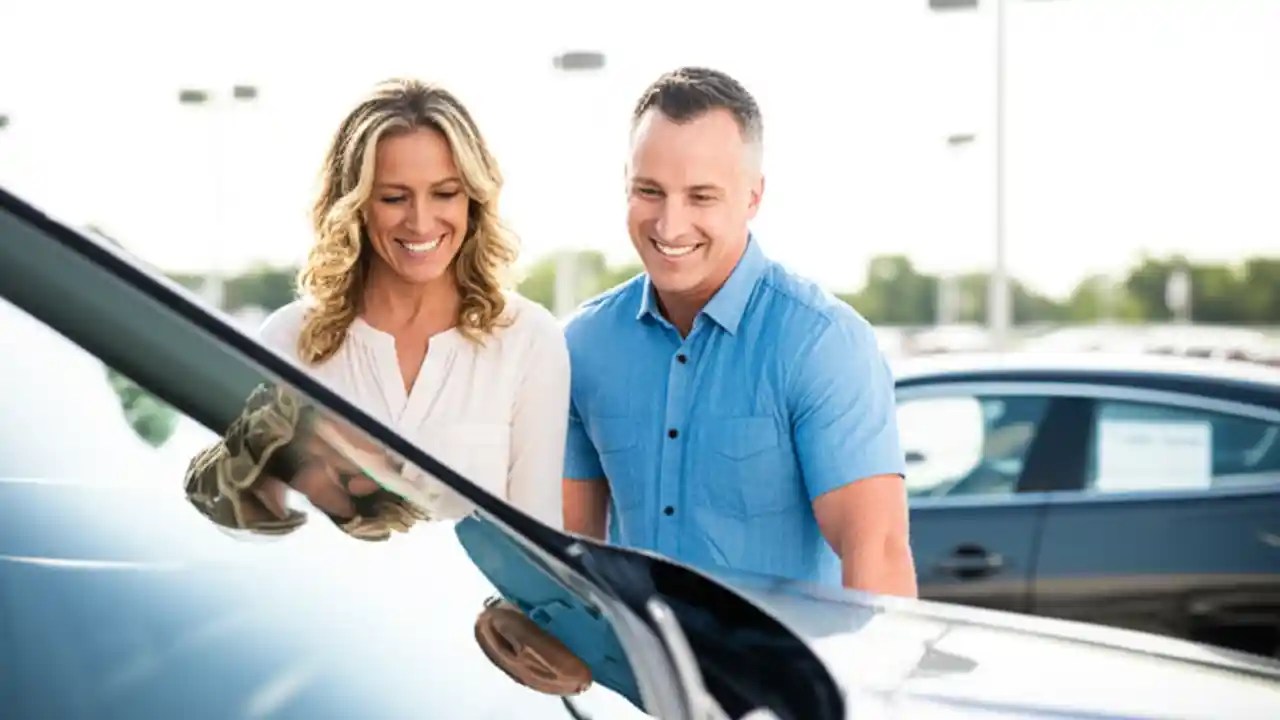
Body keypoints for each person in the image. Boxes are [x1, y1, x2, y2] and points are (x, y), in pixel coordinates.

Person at [561, 67, 918, 597]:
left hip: (781, 677)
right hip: (639, 676)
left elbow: (878, 555)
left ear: (753, 197)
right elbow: (569, 551)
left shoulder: (821, 344)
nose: (670, 224)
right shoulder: (581, 346)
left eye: (701, 196)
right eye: (650, 191)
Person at [184, 77, 569, 540]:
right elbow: (246, 529)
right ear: (356, 205)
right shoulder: (288, 340)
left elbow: (540, 542)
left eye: (445, 193)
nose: (421, 221)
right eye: (393, 197)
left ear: (474, 198)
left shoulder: (527, 338)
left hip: (476, 614)